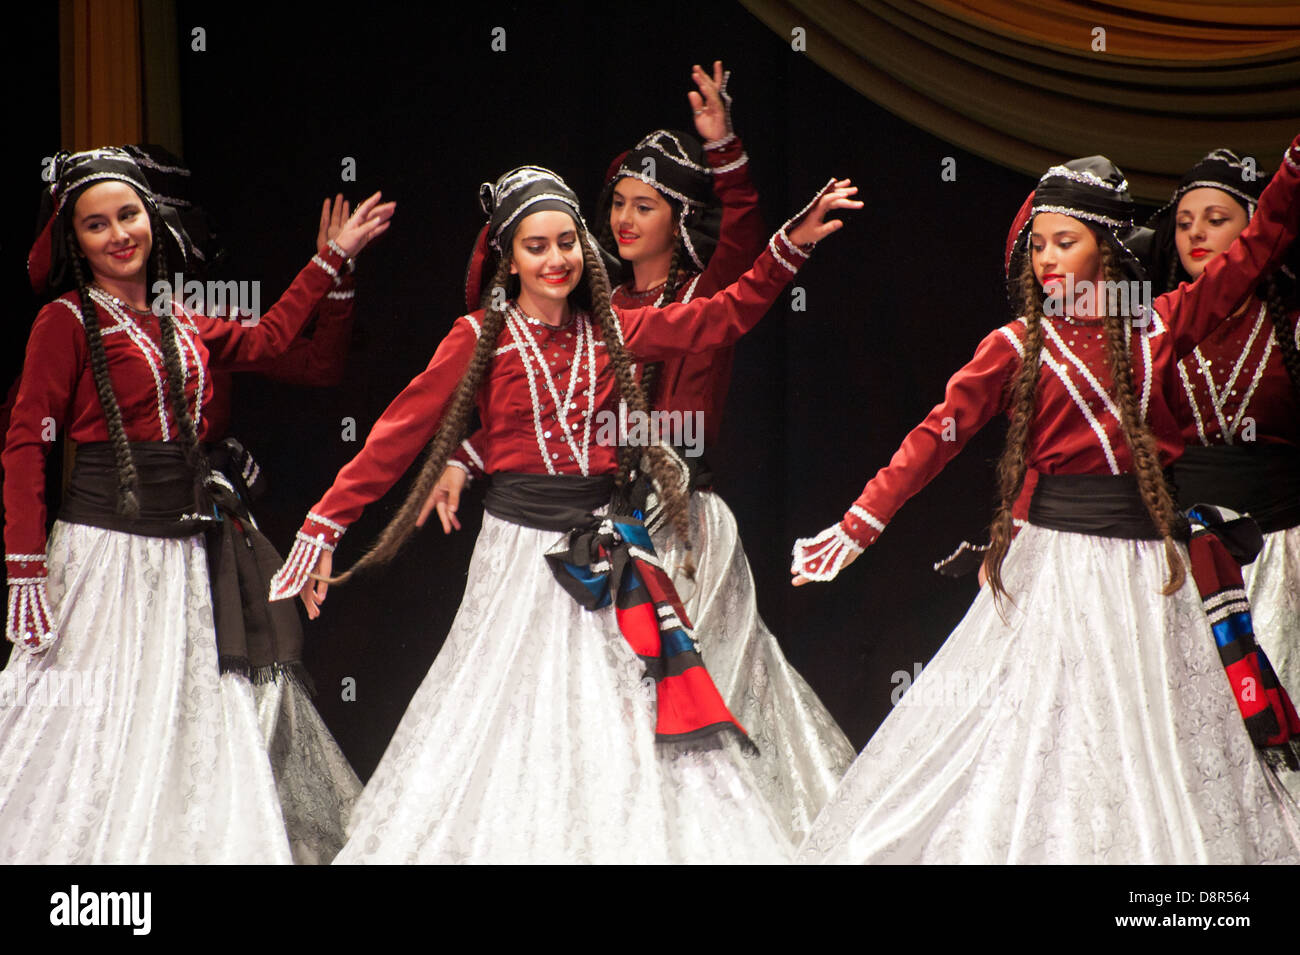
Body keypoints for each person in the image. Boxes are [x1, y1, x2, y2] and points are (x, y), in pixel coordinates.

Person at [269, 164, 859, 863]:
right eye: (536, 246)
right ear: (508, 259)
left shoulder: (612, 329)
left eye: (567, 242)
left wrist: (791, 243)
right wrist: (324, 523)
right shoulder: (478, 337)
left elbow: (723, 313)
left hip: (608, 555)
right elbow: (396, 436)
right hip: (519, 556)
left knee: (621, 713)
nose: (556, 260)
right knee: (506, 708)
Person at [791, 141, 1300, 863]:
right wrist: (858, 524)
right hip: (1056, 564)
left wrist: (1292, 169)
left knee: (1150, 730)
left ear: (1109, 249)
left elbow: (1253, 252)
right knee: (1046, 728)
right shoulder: (1015, 344)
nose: (1048, 259)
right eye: (1039, 245)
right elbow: (937, 435)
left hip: (1150, 572)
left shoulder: (1159, 326)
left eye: (1067, 242)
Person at [425, 62, 855, 841]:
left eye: (644, 205)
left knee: (703, 677)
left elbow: (746, 255)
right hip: (608, 518)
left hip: (685, 521)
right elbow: (542, 409)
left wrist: (725, 148)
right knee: (618, 697)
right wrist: (467, 456)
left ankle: (731, 834)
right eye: (617, 203)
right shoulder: (596, 310)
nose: (624, 219)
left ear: (679, 217)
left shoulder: (699, 293)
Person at [0, 147, 393, 863]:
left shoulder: (180, 321)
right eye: (96, 224)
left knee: (178, 710)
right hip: (104, 551)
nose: (119, 234)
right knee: (85, 712)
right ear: (73, 241)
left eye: (128, 215)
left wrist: (332, 260)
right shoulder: (63, 322)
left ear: (152, 219)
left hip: (180, 556)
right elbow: (26, 442)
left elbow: (274, 339)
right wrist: (24, 562)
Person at [1146, 151, 1300, 793]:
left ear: (1254, 233)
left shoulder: (1293, 324)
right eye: (1184, 223)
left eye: (1215, 219)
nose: (1196, 235)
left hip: (1285, 554)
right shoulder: (1152, 326)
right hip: (1192, 567)